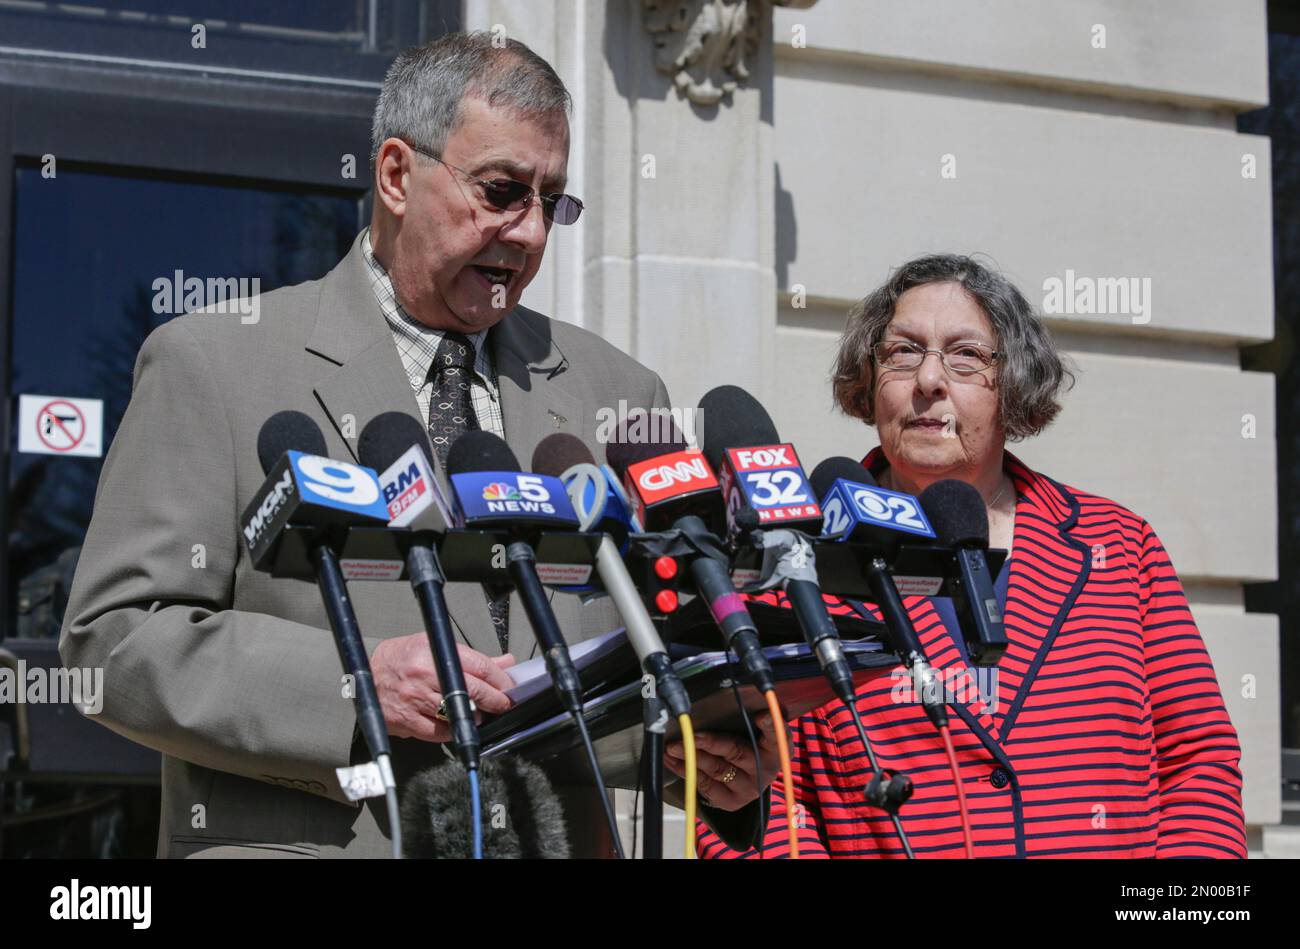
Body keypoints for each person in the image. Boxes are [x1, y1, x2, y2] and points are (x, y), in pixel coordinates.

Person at [59, 31, 760, 859]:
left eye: (552, 201)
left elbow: (636, 663)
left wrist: (702, 747)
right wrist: (356, 684)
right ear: (395, 174)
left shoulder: (618, 392)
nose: (531, 233)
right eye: (502, 191)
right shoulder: (213, 361)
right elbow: (112, 642)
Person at [696, 254, 1248, 858]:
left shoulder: (1118, 545)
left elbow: (1198, 763)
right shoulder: (793, 558)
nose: (929, 380)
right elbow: (750, 797)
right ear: (868, 377)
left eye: (966, 355)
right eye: (903, 352)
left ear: (1014, 383)